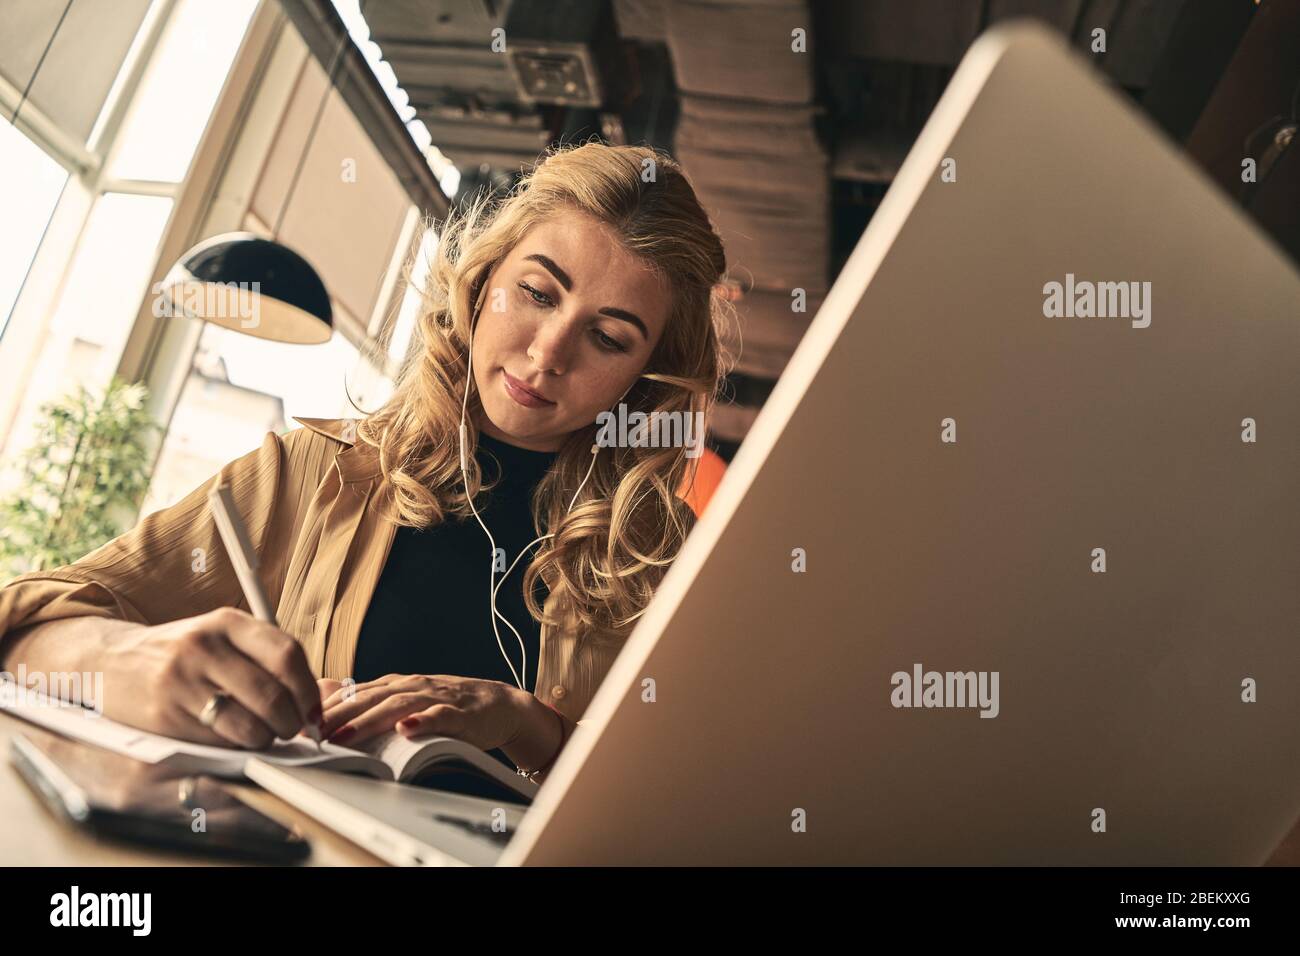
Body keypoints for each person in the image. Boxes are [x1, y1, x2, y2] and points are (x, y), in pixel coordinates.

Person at [0, 142, 734, 785]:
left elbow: (702, 803)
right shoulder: (310, 472)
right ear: (480, 284)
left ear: (647, 376)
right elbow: (28, 625)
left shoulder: (668, 561)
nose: (547, 354)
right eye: (536, 293)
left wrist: (526, 725)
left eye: (608, 338)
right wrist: (131, 663)